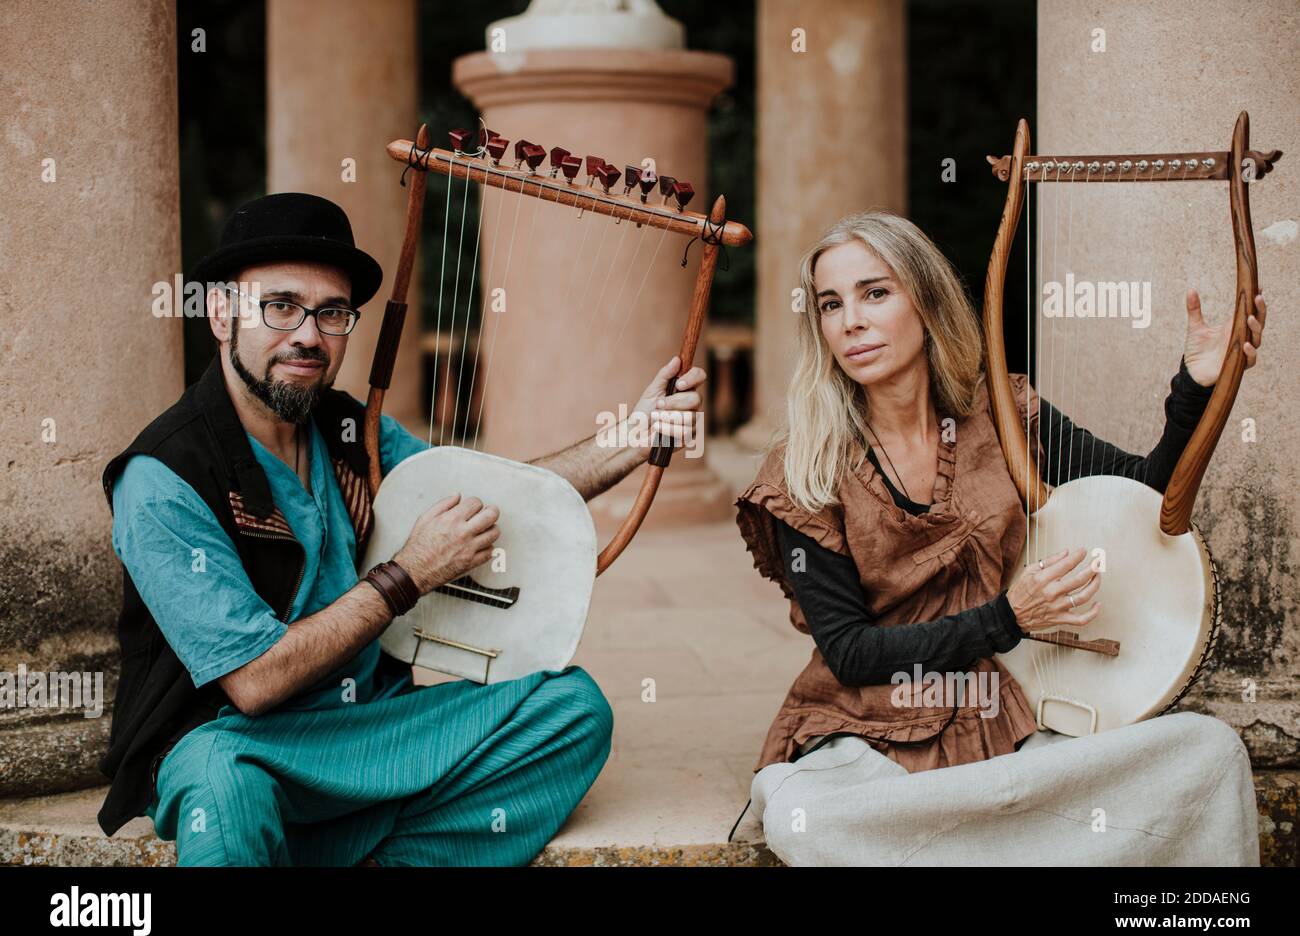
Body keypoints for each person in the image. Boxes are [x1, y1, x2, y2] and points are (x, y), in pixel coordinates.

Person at [98, 192, 705, 866]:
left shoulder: (351, 430)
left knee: (572, 710)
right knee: (224, 790)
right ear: (220, 314)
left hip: (369, 729)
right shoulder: (163, 475)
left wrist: (633, 437)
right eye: (279, 306)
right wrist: (406, 575)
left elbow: (497, 500)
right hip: (236, 740)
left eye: (331, 313)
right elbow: (255, 681)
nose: (307, 335)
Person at [734, 210, 1267, 866]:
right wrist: (1008, 618)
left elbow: (1142, 496)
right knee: (801, 815)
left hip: (1005, 724)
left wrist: (1197, 389)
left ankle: (984, 834)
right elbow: (849, 652)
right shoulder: (803, 468)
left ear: (926, 300)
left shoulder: (1005, 415)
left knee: (1207, 754)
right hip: (868, 738)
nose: (851, 321)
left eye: (876, 293)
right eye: (830, 304)